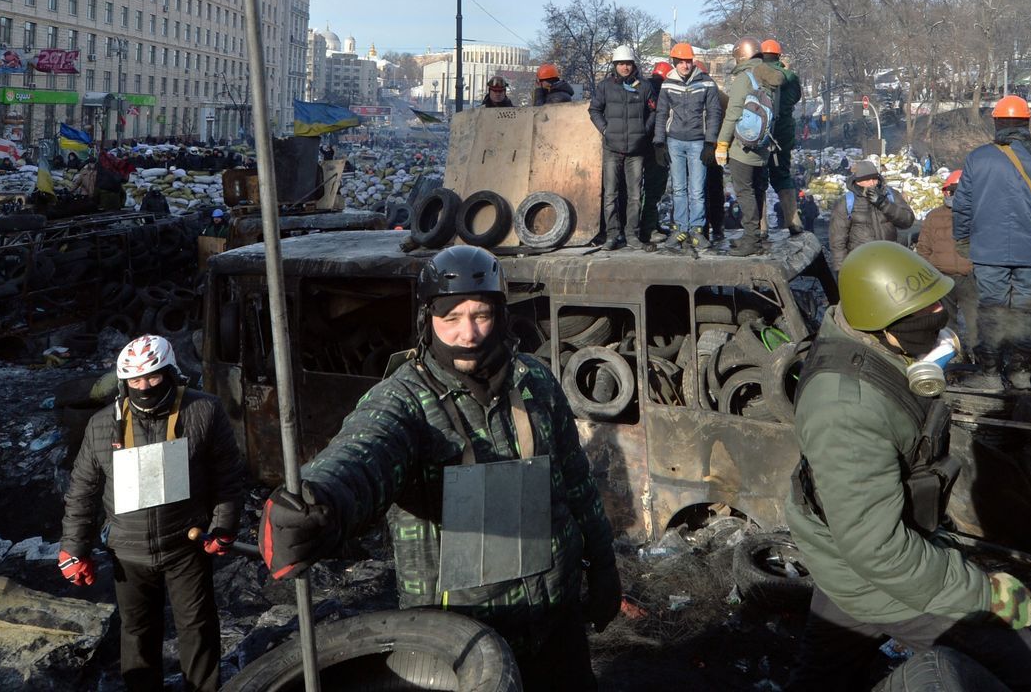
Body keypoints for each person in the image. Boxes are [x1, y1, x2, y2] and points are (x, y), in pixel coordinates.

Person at [261, 246, 620, 690]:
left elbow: (576, 481)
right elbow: (364, 450)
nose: (467, 334)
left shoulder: (536, 383)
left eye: (481, 315)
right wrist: (321, 501)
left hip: (554, 618)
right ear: (427, 320)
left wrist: (603, 563)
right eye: (450, 318)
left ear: (501, 315)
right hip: (461, 634)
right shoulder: (405, 399)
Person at [785, 241, 1031, 691]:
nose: (938, 317)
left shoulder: (881, 347)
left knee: (825, 672)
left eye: (938, 303)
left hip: (849, 553)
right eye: (923, 312)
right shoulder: (845, 409)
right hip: (869, 568)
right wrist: (982, 593)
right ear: (879, 321)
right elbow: (877, 549)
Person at [58, 336, 245, 692]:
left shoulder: (203, 411)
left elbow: (227, 475)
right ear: (123, 381)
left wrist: (224, 525)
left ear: (171, 373)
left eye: (153, 378)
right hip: (128, 552)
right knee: (138, 632)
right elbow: (82, 489)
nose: (143, 387)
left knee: (198, 626)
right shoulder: (101, 425)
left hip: (186, 544)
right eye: (135, 381)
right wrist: (73, 547)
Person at [947, 95, 1031, 390]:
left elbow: (962, 206)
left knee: (992, 310)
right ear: (1027, 122)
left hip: (988, 252)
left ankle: (990, 375)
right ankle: (1021, 373)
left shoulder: (978, 158)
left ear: (997, 123)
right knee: (1029, 311)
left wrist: (964, 240)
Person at [714, 38, 786, 256]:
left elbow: (733, 114)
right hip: (762, 145)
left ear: (741, 57)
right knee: (756, 190)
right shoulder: (771, 78)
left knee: (744, 192)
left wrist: (722, 144)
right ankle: (753, 236)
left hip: (742, 148)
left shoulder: (744, 79)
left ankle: (751, 240)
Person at [653, 43, 722, 252]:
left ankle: (697, 230)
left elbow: (714, 113)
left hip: (697, 142)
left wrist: (710, 143)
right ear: (674, 62)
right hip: (674, 141)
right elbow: (662, 114)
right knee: (678, 188)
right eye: (681, 62)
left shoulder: (706, 83)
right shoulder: (668, 84)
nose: (685, 65)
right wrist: (659, 142)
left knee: (697, 190)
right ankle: (680, 229)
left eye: (688, 61)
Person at [587, 45, 652, 250]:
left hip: (636, 149)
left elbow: (655, 112)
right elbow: (594, 109)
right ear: (615, 65)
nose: (625, 67)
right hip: (612, 148)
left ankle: (632, 235)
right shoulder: (605, 87)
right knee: (610, 194)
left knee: (635, 195)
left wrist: (644, 131)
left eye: (628, 63)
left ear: (633, 65)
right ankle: (612, 235)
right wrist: (605, 130)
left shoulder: (644, 86)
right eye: (621, 63)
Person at [915, 171, 978, 343]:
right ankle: (955, 356)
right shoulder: (933, 216)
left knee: (977, 323)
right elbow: (923, 249)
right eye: (953, 191)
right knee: (947, 325)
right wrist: (931, 273)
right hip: (942, 279)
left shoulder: (978, 215)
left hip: (970, 278)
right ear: (946, 192)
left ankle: (984, 359)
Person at [828, 159, 916, 271]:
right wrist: (841, 270)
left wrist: (884, 204)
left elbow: (907, 221)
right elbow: (837, 241)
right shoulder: (846, 202)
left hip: (890, 261)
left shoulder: (890, 195)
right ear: (857, 181)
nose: (872, 183)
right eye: (867, 179)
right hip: (861, 263)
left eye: (874, 178)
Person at [760, 38, 804, 236]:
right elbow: (795, 97)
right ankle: (793, 220)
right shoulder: (791, 77)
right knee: (783, 176)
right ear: (779, 56)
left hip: (760, 134)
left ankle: (760, 227)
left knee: (757, 179)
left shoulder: (756, 73)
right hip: (783, 134)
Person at [636, 61, 673, 247]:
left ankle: (651, 224)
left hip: (642, 145)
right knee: (654, 188)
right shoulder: (661, 91)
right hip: (656, 147)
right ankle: (648, 228)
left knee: (644, 190)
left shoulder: (643, 87)